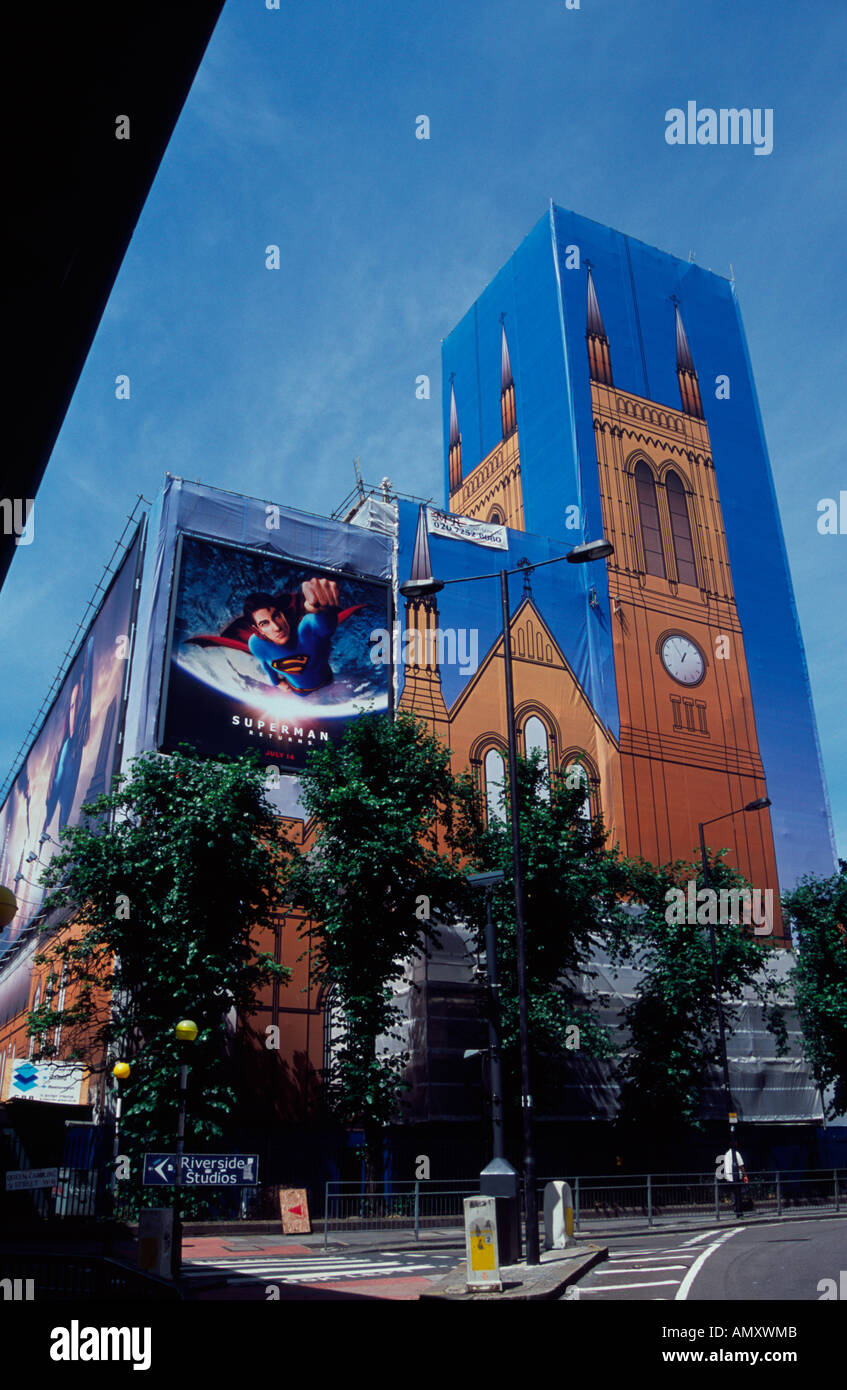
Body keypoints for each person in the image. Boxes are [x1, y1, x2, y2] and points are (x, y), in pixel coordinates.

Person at [243, 578, 340, 694]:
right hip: (298, 691)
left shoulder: (306, 629)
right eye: (265, 623)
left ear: (283, 613)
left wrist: (321, 609)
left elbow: (324, 626)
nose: (276, 627)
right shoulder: (256, 644)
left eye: (276, 616)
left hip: (328, 683)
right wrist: (277, 683)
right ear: (258, 629)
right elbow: (264, 662)